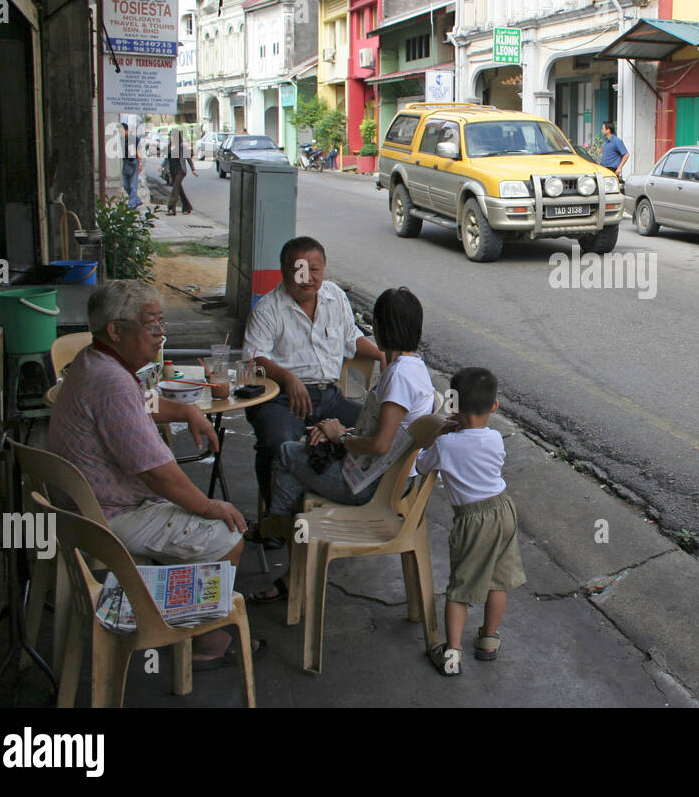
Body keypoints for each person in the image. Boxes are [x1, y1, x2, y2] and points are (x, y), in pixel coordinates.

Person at [48, 280, 259, 667]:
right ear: (116, 330)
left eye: (161, 323)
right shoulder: (111, 382)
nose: (160, 334)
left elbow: (140, 402)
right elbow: (160, 476)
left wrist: (186, 410)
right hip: (109, 517)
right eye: (152, 324)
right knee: (227, 535)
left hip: (85, 506)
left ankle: (175, 613)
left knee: (199, 514)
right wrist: (209, 505)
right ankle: (199, 641)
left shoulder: (95, 362)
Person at [248, 289, 436, 603]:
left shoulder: (399, 376)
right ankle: (291, 557)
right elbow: (384, 433)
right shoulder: (413, 366)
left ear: (378, 326)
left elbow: (379, 444)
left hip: (372, 487)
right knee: (307, 453)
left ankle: (277, 532)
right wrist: (337, 431)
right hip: (386, 477)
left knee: (285, 453)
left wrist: (341, 438)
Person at [243, 236, 386, 511]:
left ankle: (348, 497)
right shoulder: (268, 309)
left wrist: (381, 356)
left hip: (328, 396)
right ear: (284, 270)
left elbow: (351, 339)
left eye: (314, 270)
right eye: (298, 270)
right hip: (281, 399)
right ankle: (275, 518)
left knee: (377, 433)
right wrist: (288, 378)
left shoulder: (335, 297)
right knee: (277, 444)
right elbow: (254, 358)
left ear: (324, 268)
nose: (306, 278)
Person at [416, 367, 524, 676]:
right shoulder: (495, 438)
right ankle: (489, 639)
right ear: (494, 407)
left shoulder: (445, 445)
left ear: (452, 405)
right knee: (499, 580)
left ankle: (452, 654)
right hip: (504, 510)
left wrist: (440, 433)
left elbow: (423, 464)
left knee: (460, 587)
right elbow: (475, 446)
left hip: (472, 519)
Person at [166, 129, 197, 216]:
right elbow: (167, 158)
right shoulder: (169, 146)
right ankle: (187, 207)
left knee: (175, 189)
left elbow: (188, 158)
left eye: (172, 136)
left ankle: (171, 208)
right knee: (179, 189)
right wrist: (162, 166)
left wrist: (193, 169)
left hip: (180, 170)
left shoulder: (181, 147)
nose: (171, 137)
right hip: (172, 170)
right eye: (170, 136)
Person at [119, 122, 142, 209]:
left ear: (126, 130)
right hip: (125, 163)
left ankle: (132, 204)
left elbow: (138, 151)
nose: (120, 132)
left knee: (133, 185)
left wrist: (140, 164)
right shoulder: (121, 139)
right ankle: (137, 200)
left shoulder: (133, 139)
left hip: (133, 163)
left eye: (121, 130)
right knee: (126, 185)